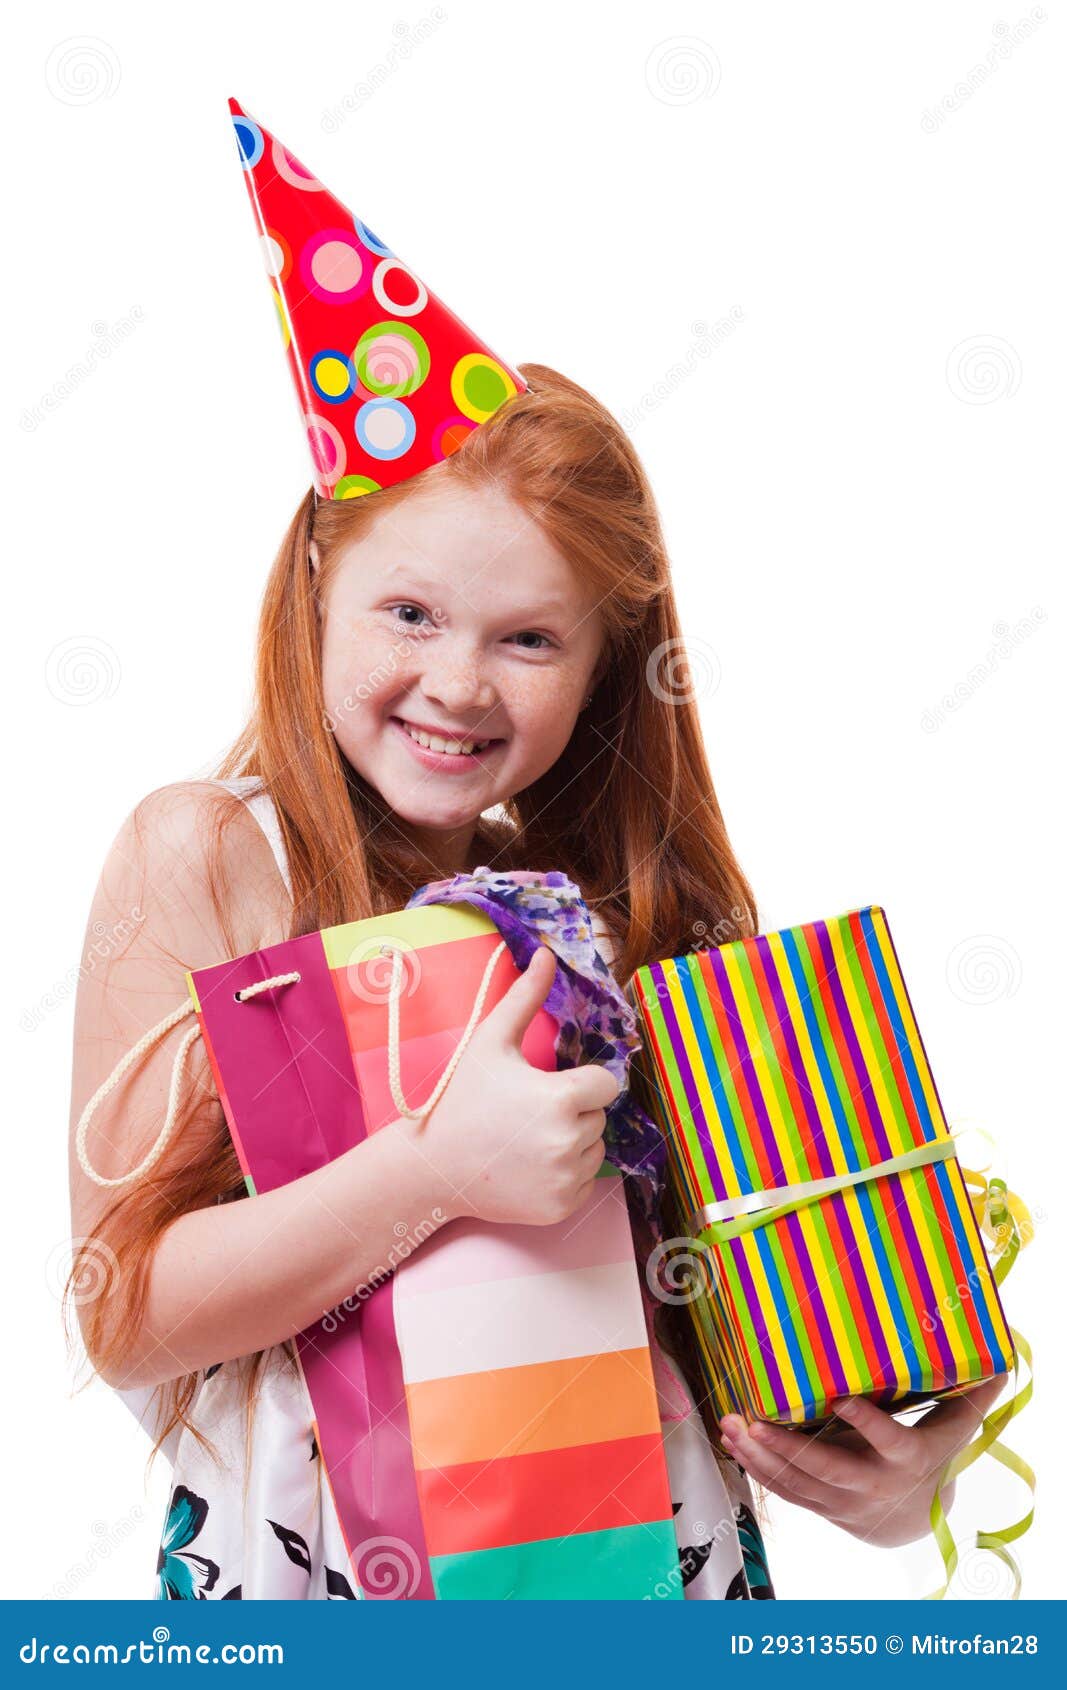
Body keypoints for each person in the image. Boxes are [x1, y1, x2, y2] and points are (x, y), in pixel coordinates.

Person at [66, 103, 1001, 1602]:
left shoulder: (619, 914)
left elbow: (735, 1329)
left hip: (645, 1575)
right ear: (316, 584)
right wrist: (436, 1169)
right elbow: (123, 1305)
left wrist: (900, 1470)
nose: (459, 683)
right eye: (412, 613)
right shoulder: (212, 854)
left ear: (605, 661)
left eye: (530, 638)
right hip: (325, 1579)